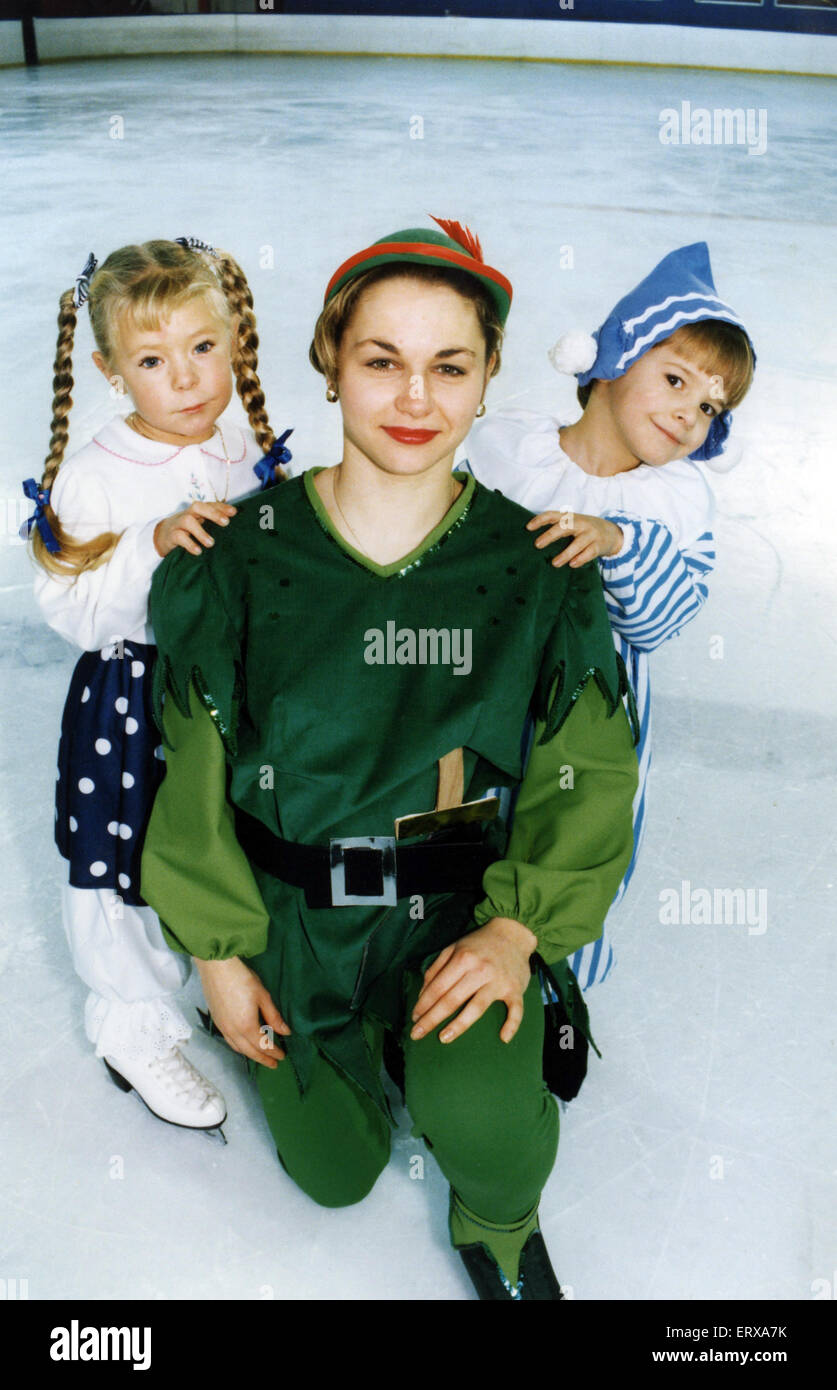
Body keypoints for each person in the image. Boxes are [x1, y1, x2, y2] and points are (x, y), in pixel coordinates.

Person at [141, 218, 638, 1300]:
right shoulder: (235, 559)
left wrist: (516, 930)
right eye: (382, 362)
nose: (416, 399)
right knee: (333, 1174)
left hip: (457, 922)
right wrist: (222, 955)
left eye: (448, 366)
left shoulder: (540, 570)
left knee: (488, 1132)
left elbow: (585, 775)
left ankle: (493, 1209)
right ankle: (349, 1054)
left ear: (487, 375)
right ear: (331, 363)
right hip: (294, 925)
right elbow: (188, 773)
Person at [22, 237, 292, 1133]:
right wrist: (151, 546)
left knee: (210, 836)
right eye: (151, 360)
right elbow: (71, 609)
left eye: (202, 348)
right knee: (122, 859)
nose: (186, 378)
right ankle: (131, 1025)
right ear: (109, 369)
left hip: (223, 686)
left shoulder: (240, 440)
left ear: (232, 341)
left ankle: (215, 972)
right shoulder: (97, 472)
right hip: (133, 699)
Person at [463, 243, 755, 991]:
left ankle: (554, 973)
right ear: (610, 360)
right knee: (467, 813)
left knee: (573, 823)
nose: (688, 413)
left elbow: (660, 621)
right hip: (479, 681)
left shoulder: (671, 501)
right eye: (674, 379)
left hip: (591, 702)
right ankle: (452, 951)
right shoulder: (511, 448)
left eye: (708, 406)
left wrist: (618, 544)